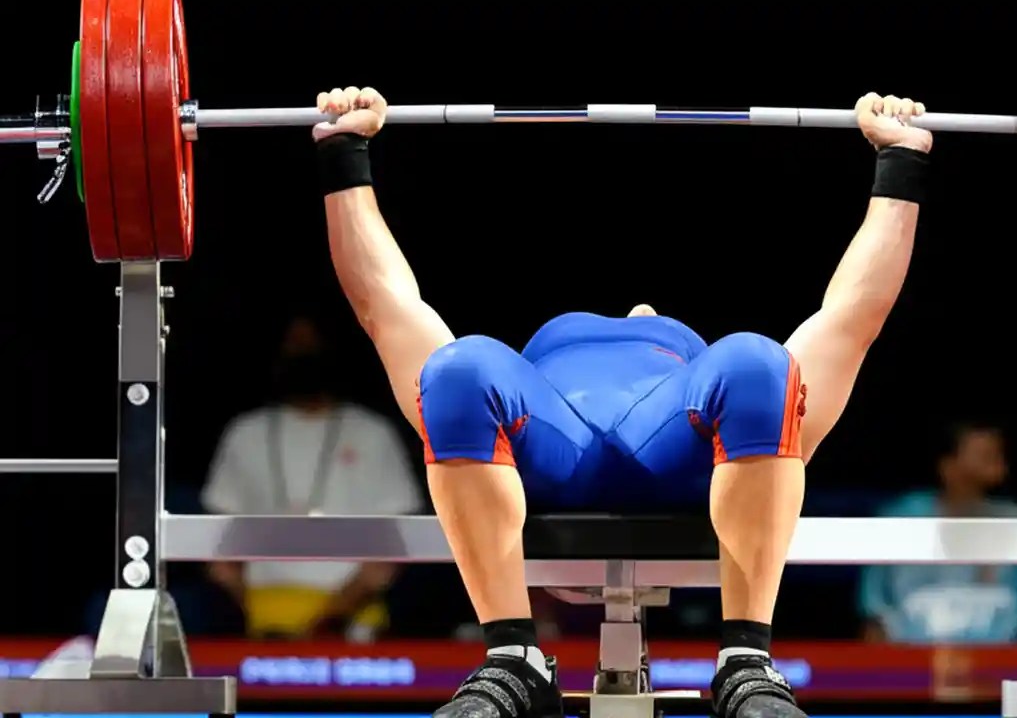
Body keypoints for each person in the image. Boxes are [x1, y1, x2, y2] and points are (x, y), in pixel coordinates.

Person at [311, 85, 930, 718]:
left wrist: (901, 158)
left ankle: (746, 660)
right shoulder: (516, 380)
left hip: (677, 454)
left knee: (758, 358)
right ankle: (513, 658)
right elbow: (386, 308)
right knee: (456, 366)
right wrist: (345, 150)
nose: (637, 310)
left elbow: (853, 318)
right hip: (548, 446)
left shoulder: (731, 383)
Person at [201, 314, 424, 640]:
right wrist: (257, 613)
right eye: (294, 345)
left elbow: (393, 548)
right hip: (263, 619)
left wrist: (329, 620)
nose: (303, 354)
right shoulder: (244, 434)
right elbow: (215, 548)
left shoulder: (372, 434)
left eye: (311, 345)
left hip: (354, 623)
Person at [858, 421, 1017, 644]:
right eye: (985, 455)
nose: (997, 463)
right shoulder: (903, 517)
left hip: (998, 663)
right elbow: (875, 613)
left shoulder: (1015, 521)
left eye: (997, 455)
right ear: (948, 466)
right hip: (911, 660)